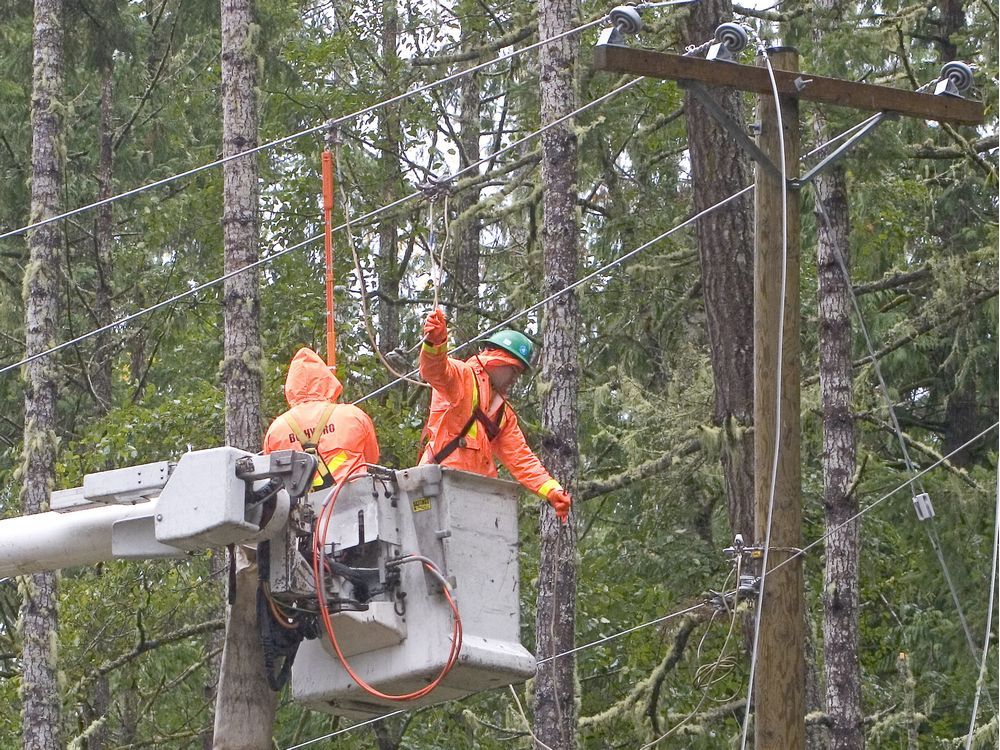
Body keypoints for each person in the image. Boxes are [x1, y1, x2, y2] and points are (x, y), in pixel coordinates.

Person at [418, 308, 572, 521]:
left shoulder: (502, 413)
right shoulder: (463, 376)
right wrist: (435, 343)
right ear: (501, 362)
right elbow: (435, 370)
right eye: (515, 371)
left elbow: (521, 458)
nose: (515, 379)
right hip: (439, 483)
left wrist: (552, 491)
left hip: (476, 494)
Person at [263, 347, 379, 488]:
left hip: (302, 506)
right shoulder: (353, 416)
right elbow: (372, 459)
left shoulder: (276, 429)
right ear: (326, 378)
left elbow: (272, 477)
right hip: (356, 502)